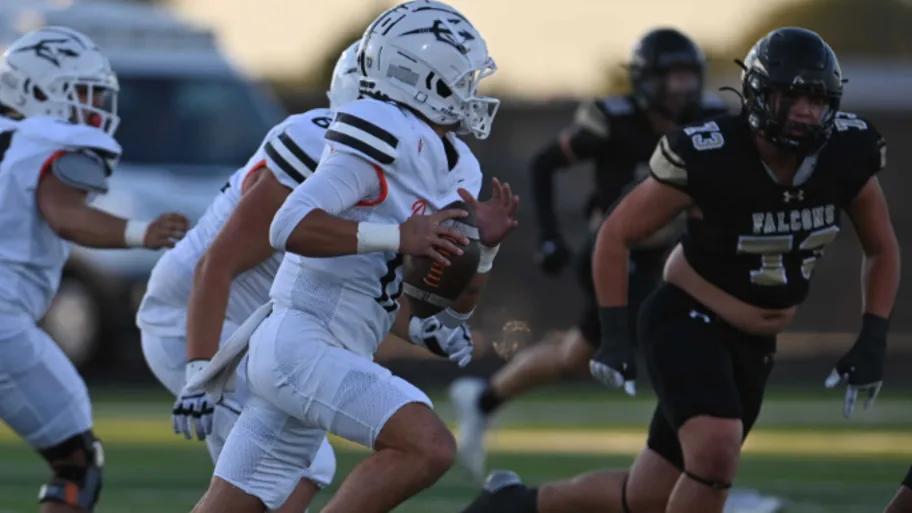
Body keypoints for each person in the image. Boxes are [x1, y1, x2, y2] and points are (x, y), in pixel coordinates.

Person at [461, 26, 899, 513]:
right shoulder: (711, 152)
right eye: (791, 98)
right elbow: (615, 234)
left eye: (817, 101)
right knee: (715, 452)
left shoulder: (847, 153)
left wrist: (873, 336)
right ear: (758, 94)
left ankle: (513, 503)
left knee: (648, 497)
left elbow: (881, 249)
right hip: (687, 316)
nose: (805, 114)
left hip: (754, 342)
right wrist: (613, 332)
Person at [188, 2, 518, 513]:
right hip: (301, 341)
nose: (472, 90)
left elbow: (448, 310)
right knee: (428, 446)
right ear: (422, 76)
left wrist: (485, 249)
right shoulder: (381, 127)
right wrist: (398, 235)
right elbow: (289, 224)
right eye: (462, 76)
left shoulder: (458, 164)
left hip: (331, 350)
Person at [450, 27, 728, 480]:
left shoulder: (714, 120)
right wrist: (550, 237)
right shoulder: (613, 120)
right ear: (643, 79)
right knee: (677, 339)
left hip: (677, 252)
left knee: (574, 358)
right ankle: (696, 473)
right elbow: (544, 163)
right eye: (669, 75)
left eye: (686, 75)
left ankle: (482, 399)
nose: (680, 87)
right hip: (614, 255)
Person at [137, 41, 365, 513]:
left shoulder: (382, 169)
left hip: (243, 332)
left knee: (283, 468)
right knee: (298, 462)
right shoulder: (314, 147)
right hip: (192, 322)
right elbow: (215, 264)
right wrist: (200, 369)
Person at [0, 27, 188, 513]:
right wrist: (139, 232)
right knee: (77, 461)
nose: (95, 106)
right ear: (37, 91)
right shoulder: (49, 139)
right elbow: (66, 215)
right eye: (82, 92)